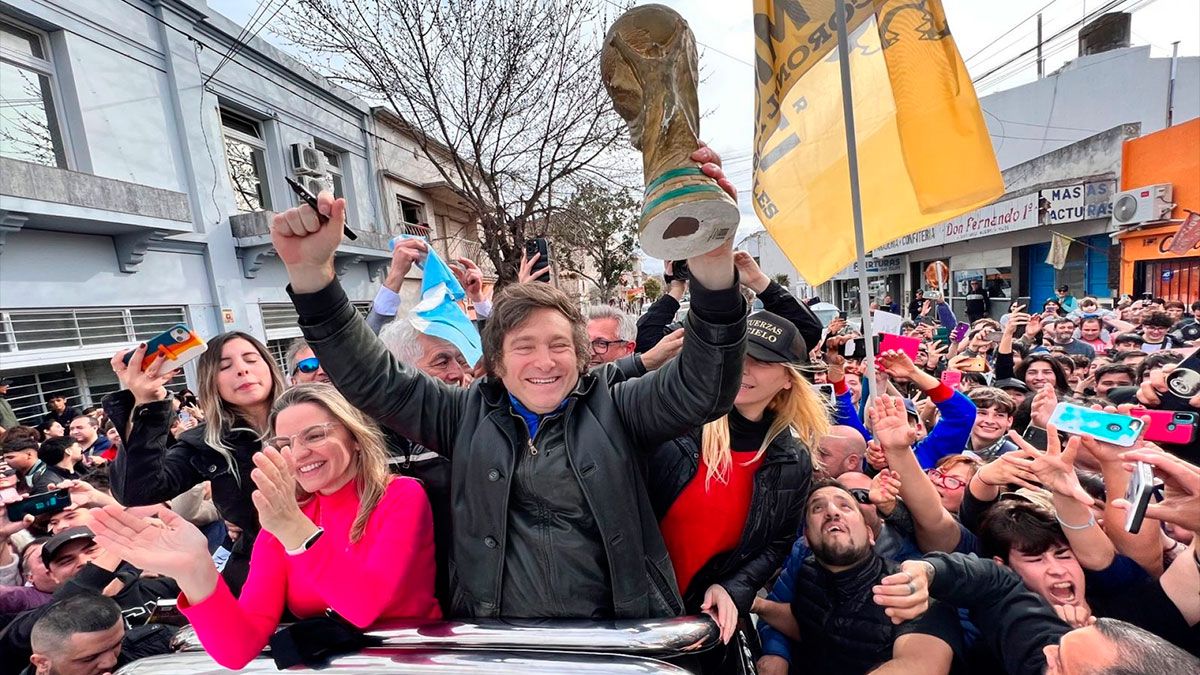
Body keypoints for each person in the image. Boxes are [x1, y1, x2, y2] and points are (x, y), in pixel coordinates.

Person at [270, 145, 747, 620]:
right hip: (502, 647)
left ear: (581, 356)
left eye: (560, 345)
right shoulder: (462, 415)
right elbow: (373, 379)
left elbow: (703, 388)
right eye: (524, 346)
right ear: (495, 359)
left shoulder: (617, 408)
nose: (545, 362)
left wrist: (712, 273)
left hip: (615, 643)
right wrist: (313, 279)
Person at [91, 383, 440, 669]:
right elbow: (238, 648)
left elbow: (363, 607)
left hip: (410, 661)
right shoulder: (282, 519)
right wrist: (194, 571)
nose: (299, 452)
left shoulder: (399, 495)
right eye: (284, 444)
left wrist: (294, 529)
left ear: (354, 435)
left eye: (315, 435)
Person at [647, 311, 826, 670]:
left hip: (701, 623)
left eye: (761, 361)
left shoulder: (793, 461)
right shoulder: (674, 426)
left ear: (788, 379)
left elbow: (777, 543)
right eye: (739, 355)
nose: (745, 368)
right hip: (629, 613)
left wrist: (734, 587)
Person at [104, 332, 286, 595]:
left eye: (251, 359)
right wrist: (147, 402)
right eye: (225, 366)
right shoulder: (206, 442)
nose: (242, 370)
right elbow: (139, 489)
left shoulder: (315, 411)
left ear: (270, 366)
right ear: (211, 382)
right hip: (266, 575)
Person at [752, 480, 963, 674]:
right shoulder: (808, 571)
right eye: (818, 507)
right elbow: (808, 628)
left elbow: (921, 664)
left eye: (845, 506)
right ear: (806, 538)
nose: (832, 512)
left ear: (870, 534)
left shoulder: (910, 589)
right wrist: (754, 604)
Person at [22, 594, 124, 675]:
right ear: (42, 663)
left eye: (117, 644)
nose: (111, 661)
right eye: (90, 658)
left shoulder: (137, 650)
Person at [963, 388, 1017, 461]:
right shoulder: (950, 447)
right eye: (982, 413)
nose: (990, 421)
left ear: (1009, 421)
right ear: (967, 415)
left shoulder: (1016, 457)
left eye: (999, 415)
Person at [2, 437, 67, 494]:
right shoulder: (11, 475)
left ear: (29, 455)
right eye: (3, 458)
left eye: (10, 457)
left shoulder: (46, 478)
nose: (6, 461)